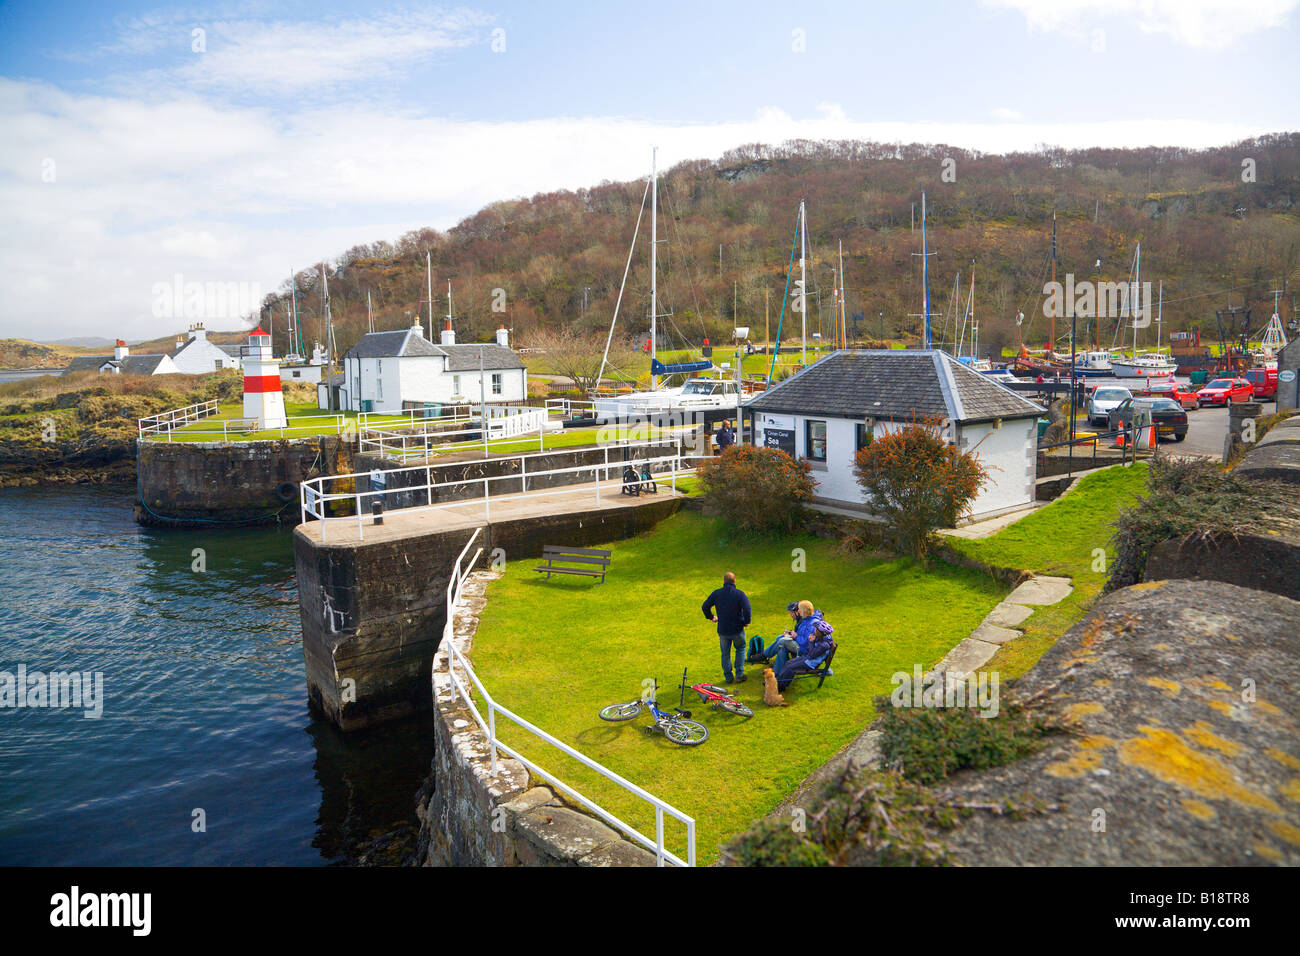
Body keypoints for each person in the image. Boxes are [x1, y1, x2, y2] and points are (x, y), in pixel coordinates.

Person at [702, 571, 751, 683]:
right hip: (737, 629)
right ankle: (739, 673)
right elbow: (747, 609)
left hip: (723, 630)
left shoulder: (717, 593)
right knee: (740, 648)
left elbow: (705, 606)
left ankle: (728, 677)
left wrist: (711, 617)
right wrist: (745, 622)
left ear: (724, 581)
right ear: (734, 581)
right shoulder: (739, 594)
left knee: (725, 653)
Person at [777, 619, 835, 693]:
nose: (815, 631)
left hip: (810, 663)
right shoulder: (820, 637)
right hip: (806, 658)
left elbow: (811, 655)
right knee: (788, 663)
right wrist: (812, 642)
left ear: (823, 633)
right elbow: (809, 651)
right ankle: (778, 681)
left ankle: (781, 687)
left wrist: (811, 642)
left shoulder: (824, 645)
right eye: (816, 629)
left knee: (790, 668)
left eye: (817, 631)